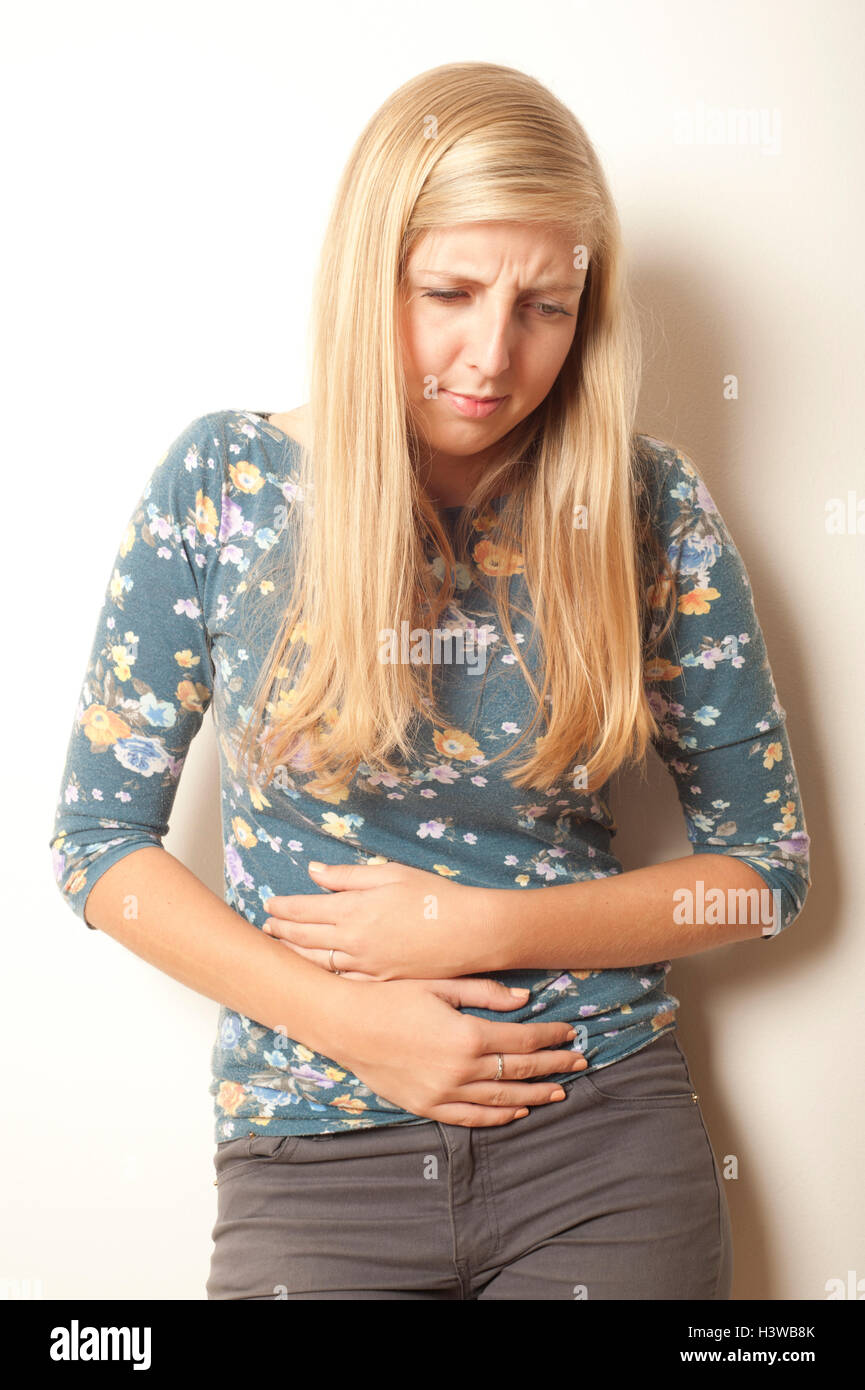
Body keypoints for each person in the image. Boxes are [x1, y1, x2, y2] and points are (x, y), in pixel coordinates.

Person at [49, 61, 811, 1301]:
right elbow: (96, 845)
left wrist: (487, 926)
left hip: (598, 1130)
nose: (491, 356)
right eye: (447, 292)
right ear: (370, 277)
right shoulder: (225, 487)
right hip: (309, 1157)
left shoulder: (646, 505)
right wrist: (349, 1019)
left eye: (545, 308)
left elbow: (764, 878)